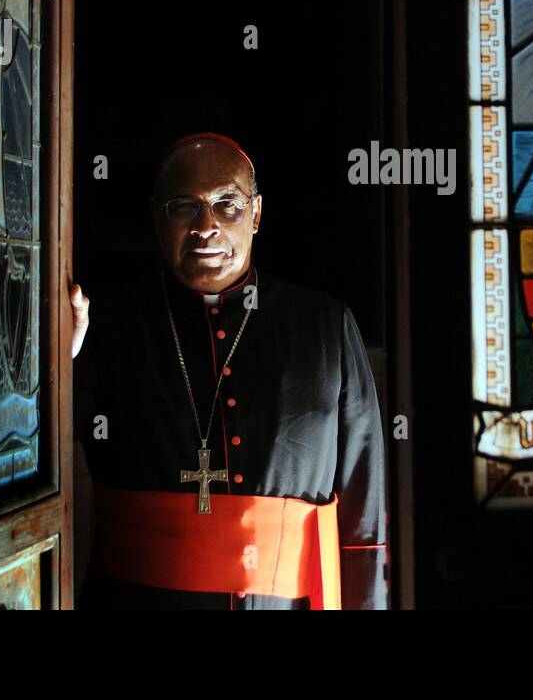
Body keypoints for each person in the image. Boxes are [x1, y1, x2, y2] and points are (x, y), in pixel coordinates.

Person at [70, 132, 388, 609]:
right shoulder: (106, 325)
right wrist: (61, 359)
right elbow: (29, 451)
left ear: (256, 213)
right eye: (183, 207)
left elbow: (365, 505)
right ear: (157, 218)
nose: (206, 226)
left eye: (227, 205)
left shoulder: (323, 324)